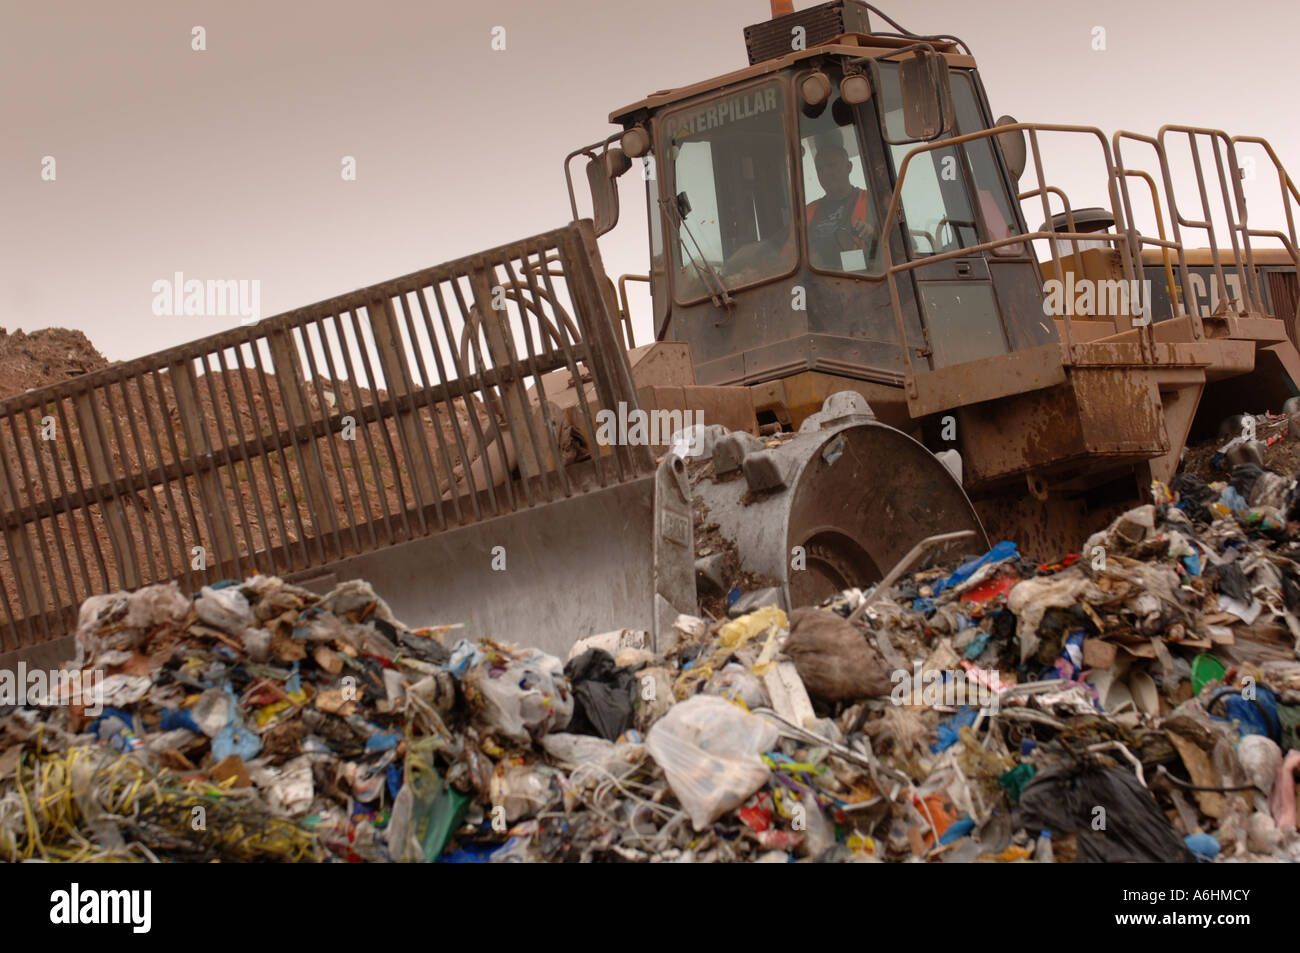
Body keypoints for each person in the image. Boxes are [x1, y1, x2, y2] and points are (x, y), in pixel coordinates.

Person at [805, 142, 876, 269]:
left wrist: (873, 235)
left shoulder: (873, 201)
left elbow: (899, 247)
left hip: (868, 279)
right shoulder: (807, 212)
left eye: (831, 165)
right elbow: (787, 254)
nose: (825, 173)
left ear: (849, 167)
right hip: (819, 282)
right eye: (820, 169)